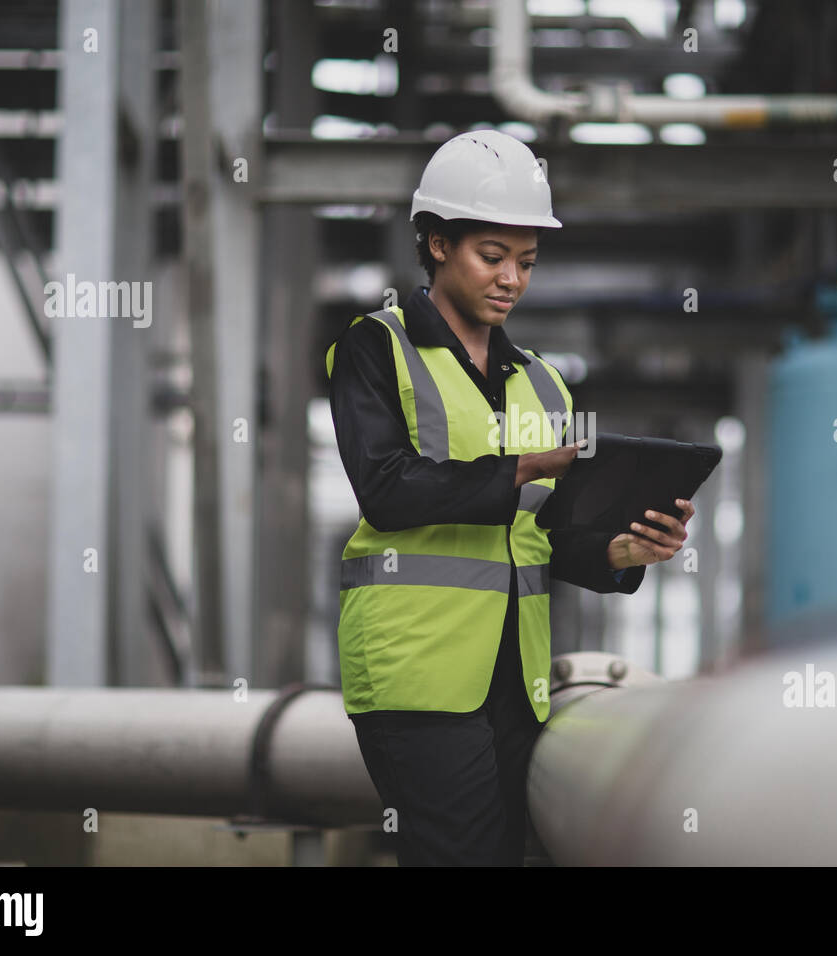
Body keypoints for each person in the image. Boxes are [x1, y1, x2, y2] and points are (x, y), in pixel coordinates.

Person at [324, 129, 695, 866]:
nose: (512, 280)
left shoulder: (543, 382)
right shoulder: (376, 348)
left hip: (512, 680)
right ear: (436, 244)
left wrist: (620, 551)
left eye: (526, 262)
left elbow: (535, 533)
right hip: (416, 674)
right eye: (492, 257)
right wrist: (521, 465)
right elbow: (388, 490)